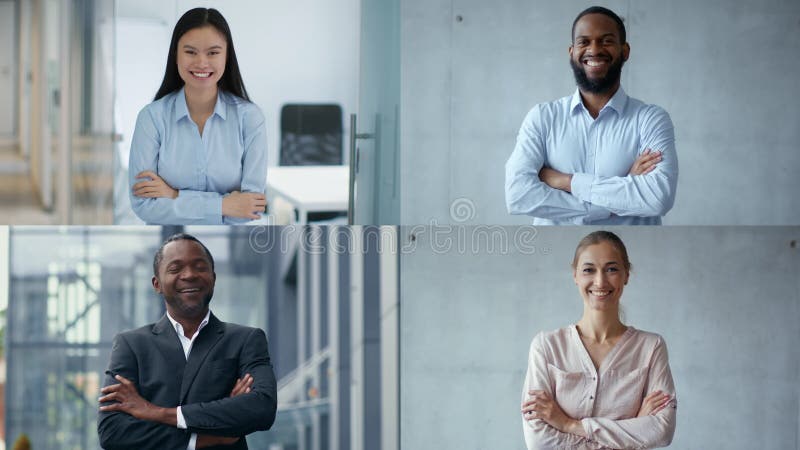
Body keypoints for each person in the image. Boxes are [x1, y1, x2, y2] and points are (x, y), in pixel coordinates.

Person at [97, 233, 277, 450]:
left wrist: (156, 412)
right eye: (175, 269)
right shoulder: (131, 345)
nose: (190, 275)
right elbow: (112, 432)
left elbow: (262, 408)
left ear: (213, 277)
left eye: (200, 267)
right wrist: (211, 436)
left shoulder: (246, 340)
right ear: (157, 284)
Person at [505, 6, 678, 225]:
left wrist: (565, 181)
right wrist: (620, 193)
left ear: (625, 51)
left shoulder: (651, 119)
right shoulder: (542, 118)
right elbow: (518, 196)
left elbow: (657, 198)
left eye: (606, 41)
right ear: (572, 52)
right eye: (584, 42)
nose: (594, 50)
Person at [521, 231, 677, 449]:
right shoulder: (546, 346)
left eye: (612, 269)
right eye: (588, 270)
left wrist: (570, 425)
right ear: (575, 275)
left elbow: (661, 432)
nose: (600, 281)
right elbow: (539, 442)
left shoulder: (651, 347)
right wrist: (633, 431)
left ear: (626, 275)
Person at [129, 8, 267, 225]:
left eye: (213, 52)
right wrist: (223, 205)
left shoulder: (249, 118)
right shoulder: (151, 118)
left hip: (229, 245)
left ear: (227, 56)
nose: (202, 63)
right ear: (176, 54)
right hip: (168, 243)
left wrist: (175, 195)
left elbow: (251, 207)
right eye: (191, 52)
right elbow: (144, 206)